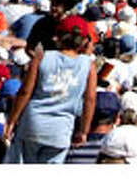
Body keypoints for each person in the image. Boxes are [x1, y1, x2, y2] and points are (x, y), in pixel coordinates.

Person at [5, 16, 97, 164]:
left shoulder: (42, 57)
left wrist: (12, 120)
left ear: (58, 36)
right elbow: (90, 99)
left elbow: (25, 92)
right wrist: (84, 130)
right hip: (61, 129)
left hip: (33, 123)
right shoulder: (88, 65)